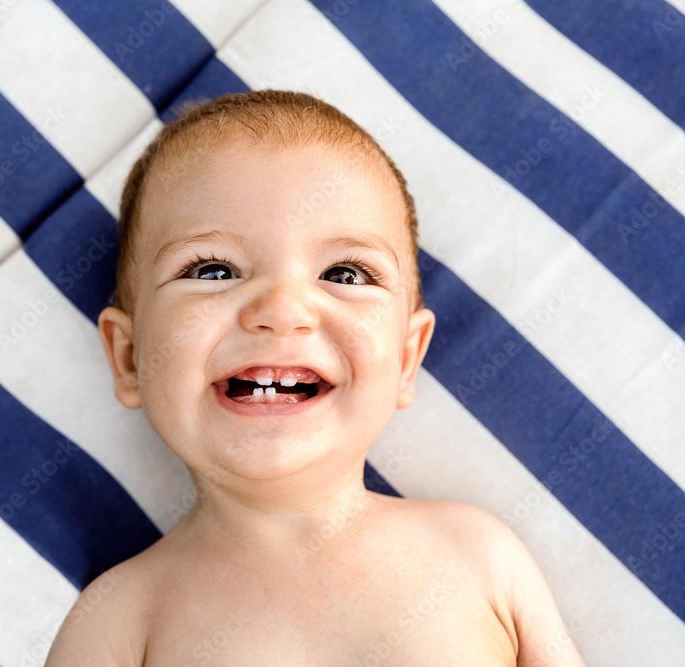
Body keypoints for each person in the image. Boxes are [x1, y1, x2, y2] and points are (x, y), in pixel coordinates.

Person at [46, 90, 583, 666]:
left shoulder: (478, 554)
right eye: (213, 270)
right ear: (130, 360)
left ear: (405, 359)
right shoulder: (121, 618)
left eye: (344, 272)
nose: (282, 308)